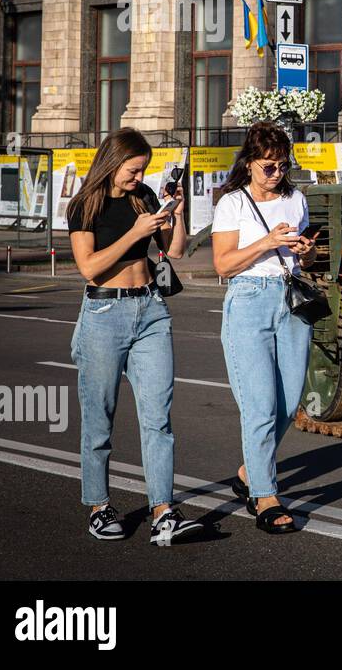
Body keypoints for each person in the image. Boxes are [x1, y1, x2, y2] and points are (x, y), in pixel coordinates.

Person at [67, 128, 204, 546]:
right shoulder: (84, 205)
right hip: (104, 311)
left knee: (158, 417)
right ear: (113, 161)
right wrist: (134, 233)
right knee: (99, 419)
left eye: (142, 169)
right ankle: (98, 505)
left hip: (150, 309)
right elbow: (88, 267)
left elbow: (174, 251)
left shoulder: (142, 195)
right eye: (133, 169)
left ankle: (164, 510)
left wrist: (174, 213)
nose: (138, 175)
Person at [211, 122, 319, 534]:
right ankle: (265, 496)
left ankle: (248, 472)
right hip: (249, 300)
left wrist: (305, 252)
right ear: (250, 162)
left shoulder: (295, 199)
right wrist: (267, 242)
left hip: (289, 300)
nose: (276, 174)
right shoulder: (233, 203)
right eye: (268, 166)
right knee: (257, 405)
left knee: (288, 403)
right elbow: (223, 264)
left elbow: (302, 259)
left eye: (282, 165)